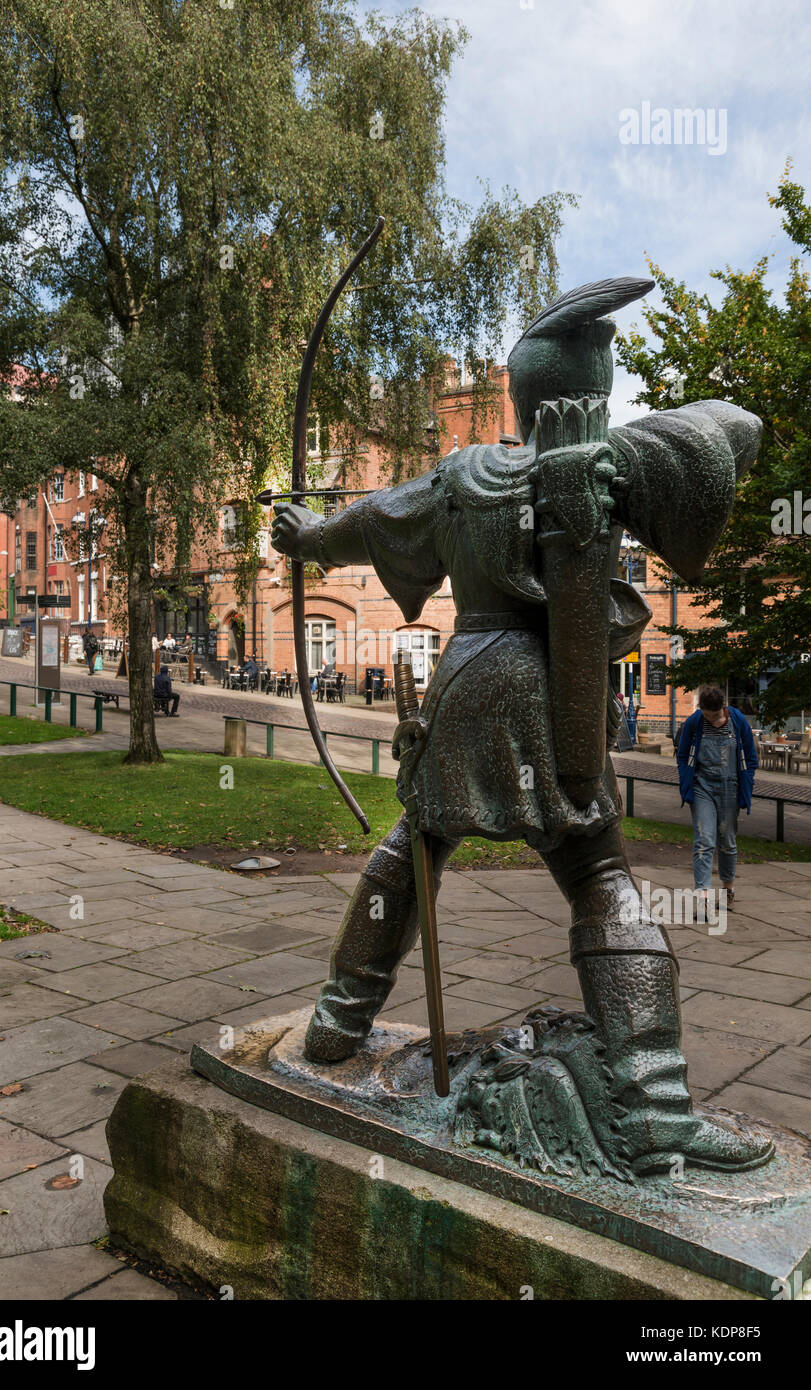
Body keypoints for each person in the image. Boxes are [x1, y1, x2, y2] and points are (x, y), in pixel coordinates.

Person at [272, 275, 771, 1175]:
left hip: (467, 683)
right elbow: (736, 424)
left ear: (519, 395)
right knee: (598, 874)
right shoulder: (621, 459)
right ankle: (653, 1105)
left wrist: (309, 537)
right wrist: (618, 450)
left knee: (413, 850)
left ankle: (335, 1022)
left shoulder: (463, 479)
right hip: (553, 698)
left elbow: (371, 516)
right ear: (591, 394)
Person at [677, 685, 757, 913]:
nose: (710, 720)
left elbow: (750, 756)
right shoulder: (695, 722)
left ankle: (727, 890)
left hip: (730, 787)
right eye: (706, 715)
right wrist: (686, 781)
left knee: (727, 841)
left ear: (723, 707)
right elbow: (683, 755)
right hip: (702, 786)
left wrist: (747, 778)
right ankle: (702, 899)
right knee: (704, 841)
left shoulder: (738, 721)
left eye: (714, 716)